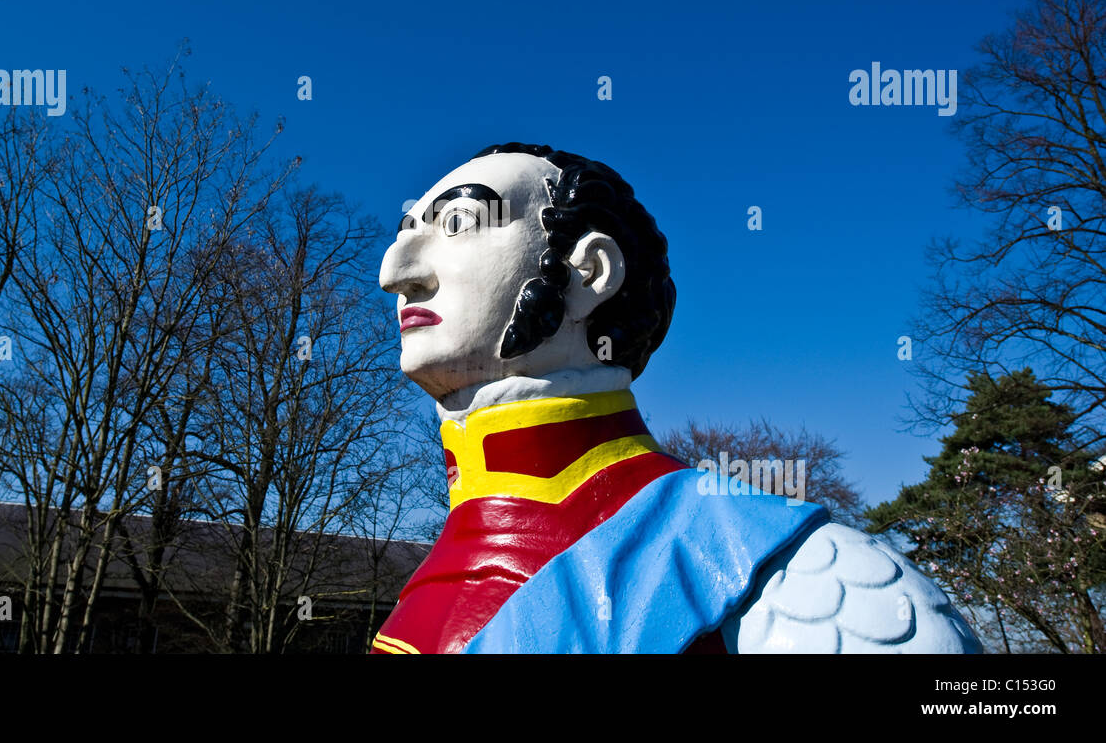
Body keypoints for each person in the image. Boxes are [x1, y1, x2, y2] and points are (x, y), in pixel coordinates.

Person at [371, 142, 980, 654]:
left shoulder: (797, 574)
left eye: (459, 224)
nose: (394, 272)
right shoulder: (427, 575)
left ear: (590, 274)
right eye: (407, 232)